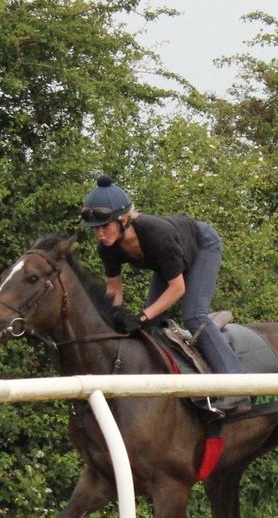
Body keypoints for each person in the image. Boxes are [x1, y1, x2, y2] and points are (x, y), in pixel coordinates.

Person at [80, 175, 250, 415]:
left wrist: (141, 317)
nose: (99, 233)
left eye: (104, 226)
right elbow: (114, 290)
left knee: (193, 315)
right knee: (154, 326)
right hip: (169, 261)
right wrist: (113, 321)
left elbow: (178, 289)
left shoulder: (154, 233)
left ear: (124, 220)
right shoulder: (107, 247)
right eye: (95, 228)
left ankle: (238, 386)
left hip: (202, 246)